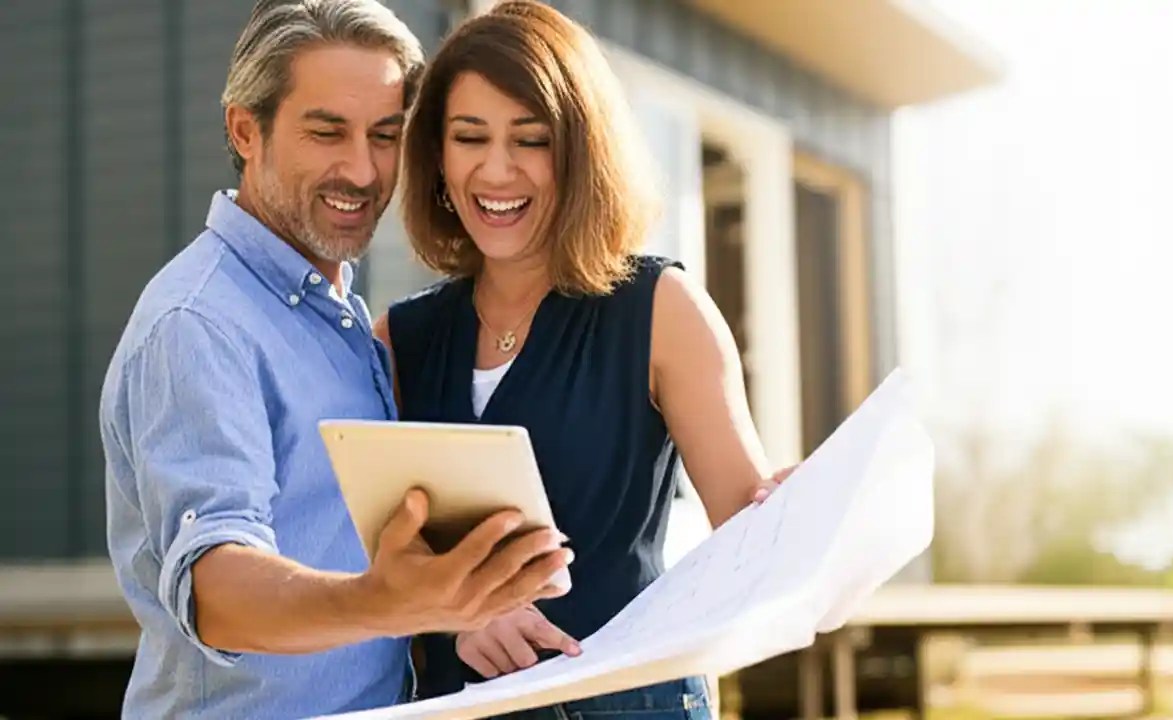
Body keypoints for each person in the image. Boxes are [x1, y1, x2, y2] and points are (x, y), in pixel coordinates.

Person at [98, 2, 572, 718]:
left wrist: (450, 605)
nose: (362, 169)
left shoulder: (336, 315)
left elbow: (341, 551)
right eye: (327, 132)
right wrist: (383, 603)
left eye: (385, 136)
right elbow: (215, 589)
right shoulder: (200, 323)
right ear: (244, 130)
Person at [374, 2, 791, 717]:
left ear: (580, 152)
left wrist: (795, 508)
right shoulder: (397, 342)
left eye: (530, 140)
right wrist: (453, 611)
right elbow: (365, 565)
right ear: (438, 158)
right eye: (469, 136)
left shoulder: (661, 309)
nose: (496, 170)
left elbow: (750, 532)